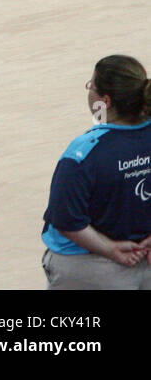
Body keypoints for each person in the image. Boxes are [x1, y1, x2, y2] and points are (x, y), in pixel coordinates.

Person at [42, 54, 151, 289]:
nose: (88, 90)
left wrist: (110, 249)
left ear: (105, 101)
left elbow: (66, 220)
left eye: (91, 86)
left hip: (91, 269)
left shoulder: (84, 153)